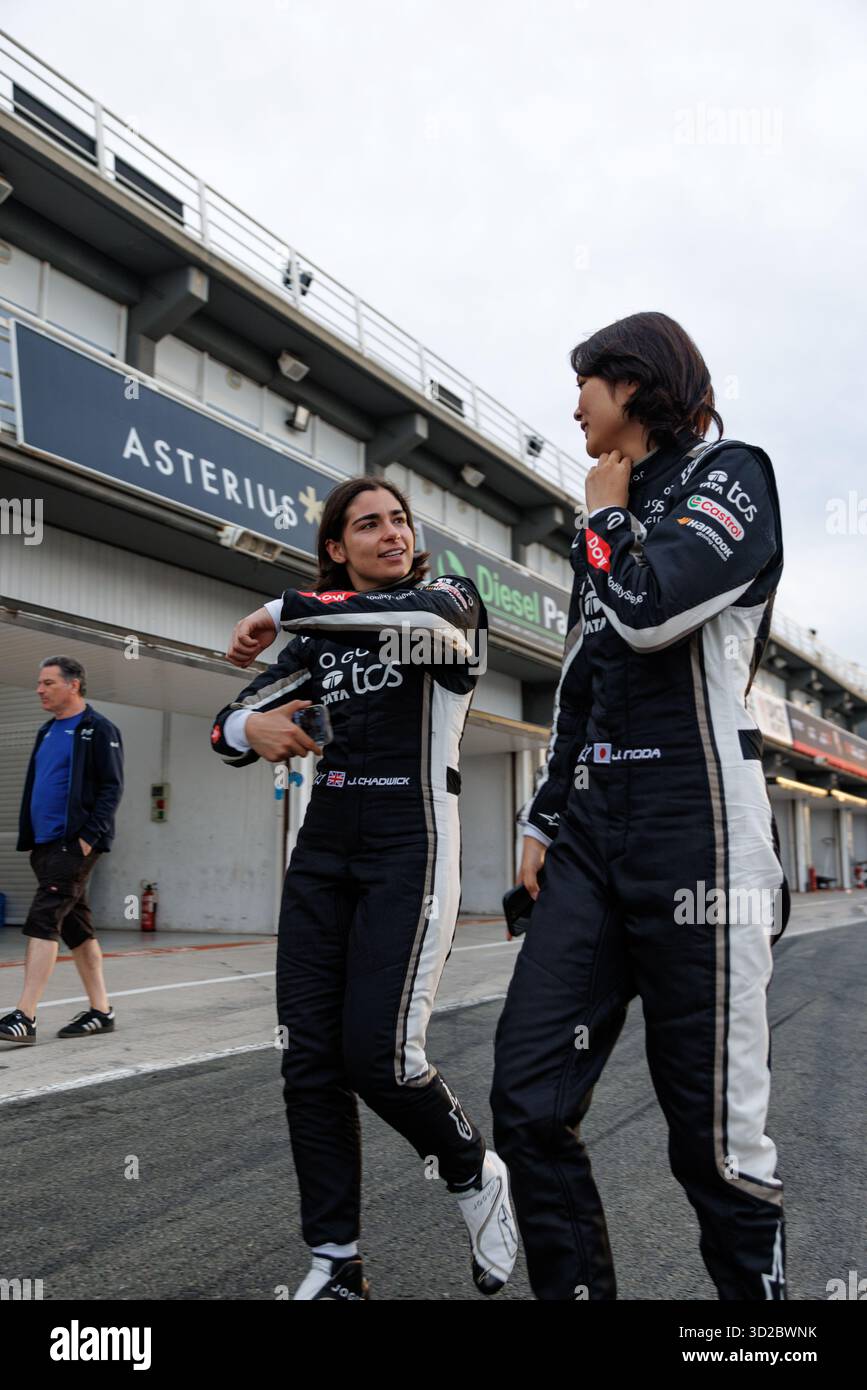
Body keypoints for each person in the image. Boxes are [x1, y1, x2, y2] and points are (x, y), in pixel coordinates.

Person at [490, 311, 788, 1300]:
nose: (573, 404)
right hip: (589, 836)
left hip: (698, 829)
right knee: (528, 1101)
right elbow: (584, 673)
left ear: (635, 382)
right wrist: (540, 821)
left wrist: (608, 517)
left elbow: (652, 610)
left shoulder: (732, 472)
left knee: (715, 1146)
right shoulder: (602, 512)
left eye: (586, 383)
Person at [210, 475, 517, 1301]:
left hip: (410, 846)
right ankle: (336, 1262)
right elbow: (223, 727)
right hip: (322, 858)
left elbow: (429, 624)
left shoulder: (445, 598)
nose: (392, 532)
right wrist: (258, 725)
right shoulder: (318, 644)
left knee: (380, 1058)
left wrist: (283, 606)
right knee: (309, 1062)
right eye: (368, 524)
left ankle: (472, 1171)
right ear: (337, 548)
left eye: (400, 520)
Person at [1, 657, 124, 1045]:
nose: (39, 689)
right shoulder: (46, 730)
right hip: (44, 844)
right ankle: (101, 1011)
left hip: (74, 844)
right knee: (77, 926)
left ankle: (25, 1016)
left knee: (43, 918)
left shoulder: (98, 728)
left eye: (48, 682)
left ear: (73, 685)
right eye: (39, 683)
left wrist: (87, 838)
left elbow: (111, 788)